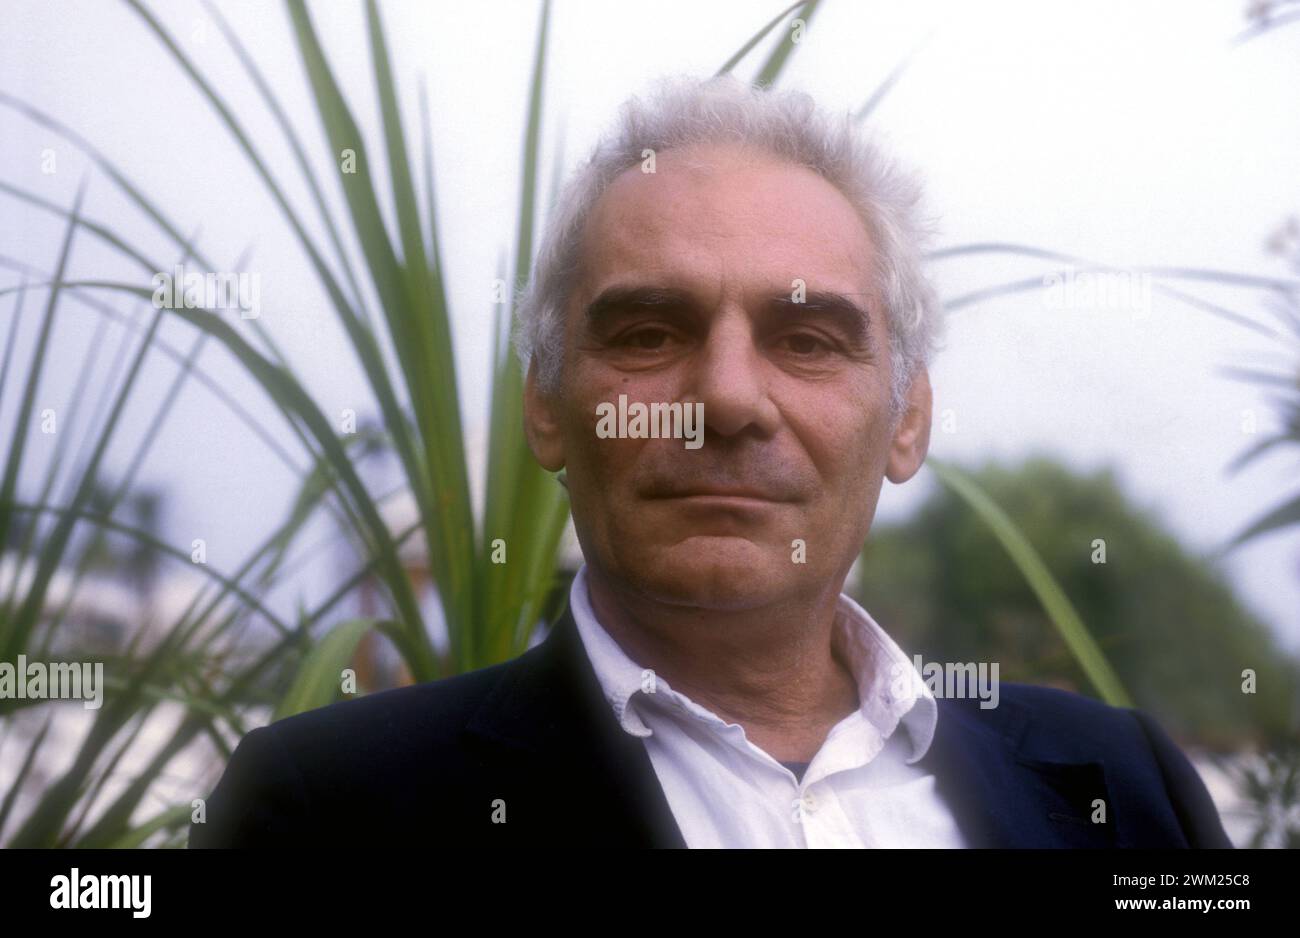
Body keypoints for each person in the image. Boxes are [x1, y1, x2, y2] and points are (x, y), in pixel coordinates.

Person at [190, 74, 1231, 849]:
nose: (726, 399)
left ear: (907, 418)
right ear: (545, 408)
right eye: (648, 332)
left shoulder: (1127, 787)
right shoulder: (322, 811)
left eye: (809, 339)